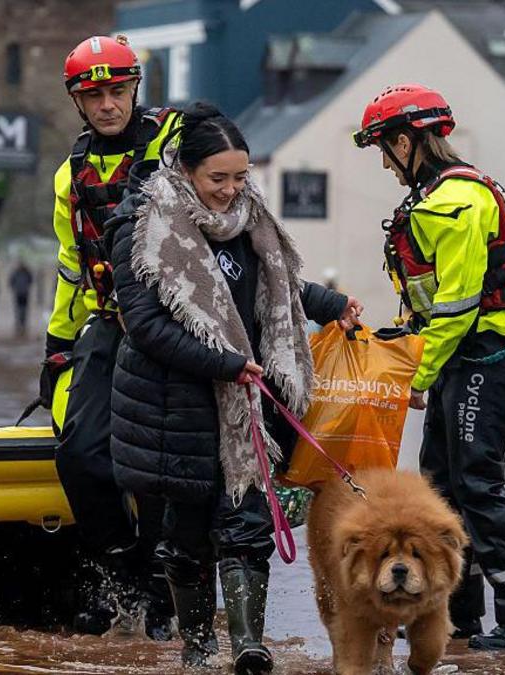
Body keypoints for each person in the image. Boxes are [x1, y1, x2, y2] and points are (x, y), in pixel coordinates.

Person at [109, 103, 362, 672]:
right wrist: (223, 362)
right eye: (217, 178)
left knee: (248, 527)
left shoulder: (252, 219)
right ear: (185, 169)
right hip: (174, 407)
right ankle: (198, 649)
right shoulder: (141, 226)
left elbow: (278, 286)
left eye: (240, 177)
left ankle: (249, 646)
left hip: (246, 401)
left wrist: (331, 305)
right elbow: (145, 327)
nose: (230, 191)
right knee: (187, 536)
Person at [352, 84, 505, 651]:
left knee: (476, 482)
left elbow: (458, 305)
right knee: (440, 486)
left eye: (384, 151)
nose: (385, 166)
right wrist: (397, 349)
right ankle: (458, 618)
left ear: (404, 143)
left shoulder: (453, 202)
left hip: (490, 354)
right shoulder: (439, 196)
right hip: (461, 356)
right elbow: (428, 302)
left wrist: (416, 377)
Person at [42, 34, 182, 638]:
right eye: (93, 96)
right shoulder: (69, 175)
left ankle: (160, 587)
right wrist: (56, 344)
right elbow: (72, 266)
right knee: (79, 453)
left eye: (118, 91)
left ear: (135, 89)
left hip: (175, 324)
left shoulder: (176, 144)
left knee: (155, 460)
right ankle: (120, 570)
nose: (107, 105)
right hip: (108, 322)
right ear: (76, 101)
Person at [9, 263, 33, 332]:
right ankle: (20, 322)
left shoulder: (22, 273)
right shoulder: (20, 273)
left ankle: (21, 322)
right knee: (20, 309)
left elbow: (30, 280)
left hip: (22, 293)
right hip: (20, 293)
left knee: (22, 309)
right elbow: (11, 281)